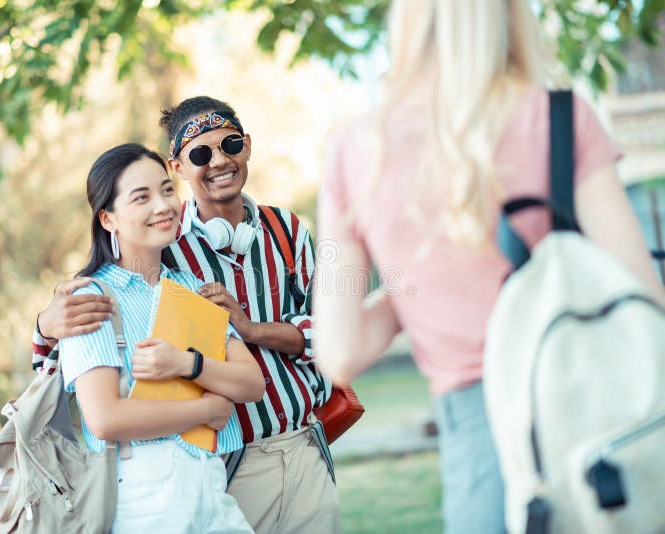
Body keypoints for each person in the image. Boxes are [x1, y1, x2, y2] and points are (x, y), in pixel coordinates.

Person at [312, 1, 665, 534]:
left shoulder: (352, 150)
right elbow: (644, 298)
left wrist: (412, 286)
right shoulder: (562, 119)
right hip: (589, 412)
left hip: (478, 446)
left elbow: (340, 353)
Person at [33, 97, 340, 534]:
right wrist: (45, 324)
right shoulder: (162, 243)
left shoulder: (287, 231)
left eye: (230, 144)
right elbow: (76, 354)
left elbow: (329, 333)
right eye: (200, 153)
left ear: (246, 146)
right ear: (179, 166)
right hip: (227, 462)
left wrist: (250, 330)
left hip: (302, 444)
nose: (219, 161)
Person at [57, 142, 265, 532]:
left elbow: (251, 382)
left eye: (167, 189)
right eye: (142, 197)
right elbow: (105, 418)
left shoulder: (191, 287)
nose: (163, 205)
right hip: (145, 502)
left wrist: (186, 363)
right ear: (108, 220)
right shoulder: (92, 299)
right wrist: (205, 411)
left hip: (212, 488)